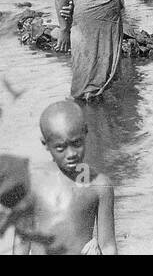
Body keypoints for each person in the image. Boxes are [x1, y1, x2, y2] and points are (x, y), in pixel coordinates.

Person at [19, 100, 117, 254]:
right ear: (45, 144)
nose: (71, 154)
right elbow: (22, 244)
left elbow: (108, 245)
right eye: (60, 147)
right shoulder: (32, 184)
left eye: (76, 143)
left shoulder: (99, 186)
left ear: (85, 132)